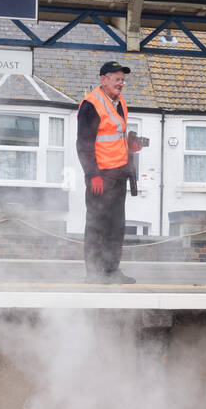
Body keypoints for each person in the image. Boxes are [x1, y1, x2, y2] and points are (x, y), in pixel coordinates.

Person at [77, 60, 138, 283]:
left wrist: (131, 146)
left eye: (122, 80)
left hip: (118, 176)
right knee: (97, 226)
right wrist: (92, 174)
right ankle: (94, 274)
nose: (121, 83)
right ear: (103, 79)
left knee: (115, 227)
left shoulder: (119, 103)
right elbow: (83, 144)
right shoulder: (91, 104)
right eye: (116, 79)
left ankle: (111, 271)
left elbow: (114, 137)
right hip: (100, 178)